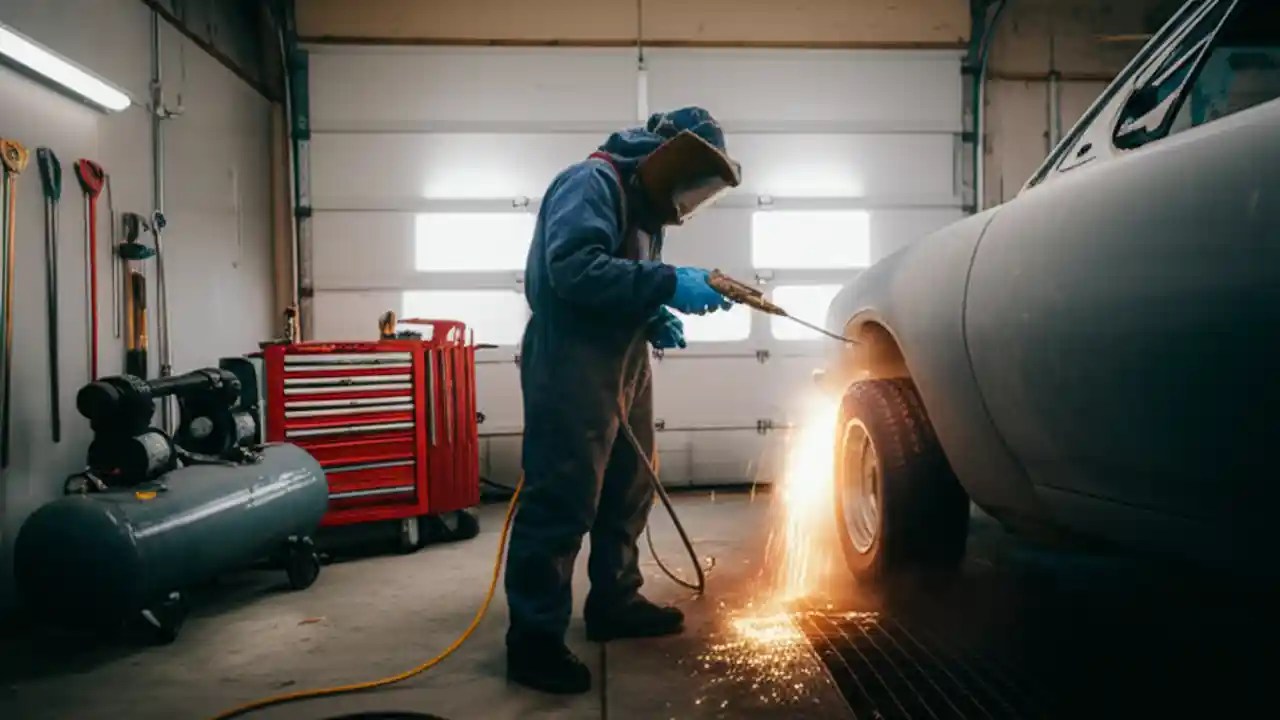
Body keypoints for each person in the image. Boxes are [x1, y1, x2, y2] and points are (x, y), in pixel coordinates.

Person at [504, 107, 742, 694]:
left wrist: (648, 311)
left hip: (622, 355)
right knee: (563, 495)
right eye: (692, 183)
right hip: (571, 357)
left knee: (629, 484)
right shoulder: (594, 183)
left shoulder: (644, 207)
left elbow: (619, 275)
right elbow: (572, 268)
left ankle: (614, 599)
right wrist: (664, 285)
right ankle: (534, 640)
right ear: (668, 159)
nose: (689, 201)